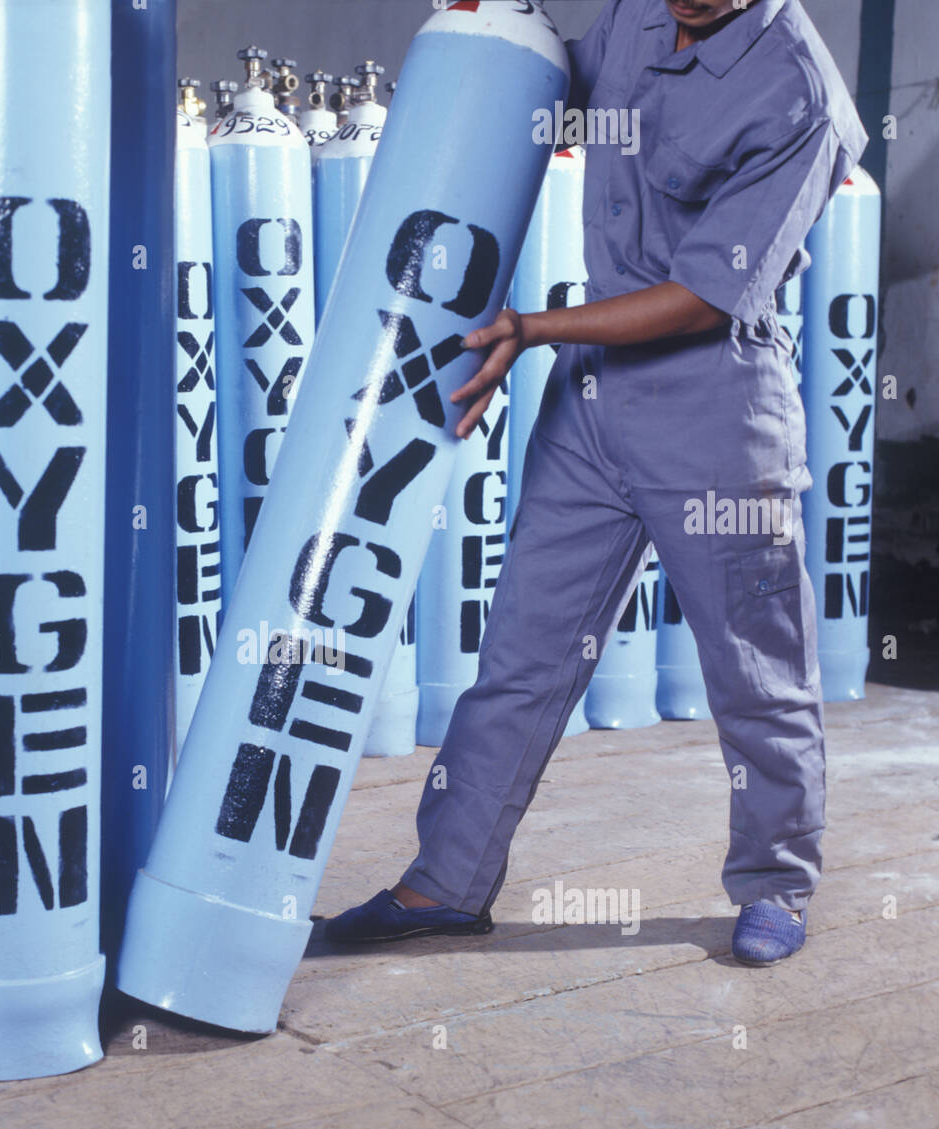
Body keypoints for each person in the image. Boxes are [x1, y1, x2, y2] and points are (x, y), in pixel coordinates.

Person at [324, 0, 868, 964]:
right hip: (593, 405)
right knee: (520, 657)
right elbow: (554, 85)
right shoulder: (638, 15)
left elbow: (704, 300)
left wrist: (530, 330)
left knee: (754, 673)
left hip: (715, 413)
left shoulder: (799, 96)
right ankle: (444, 882)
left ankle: (777, 882)